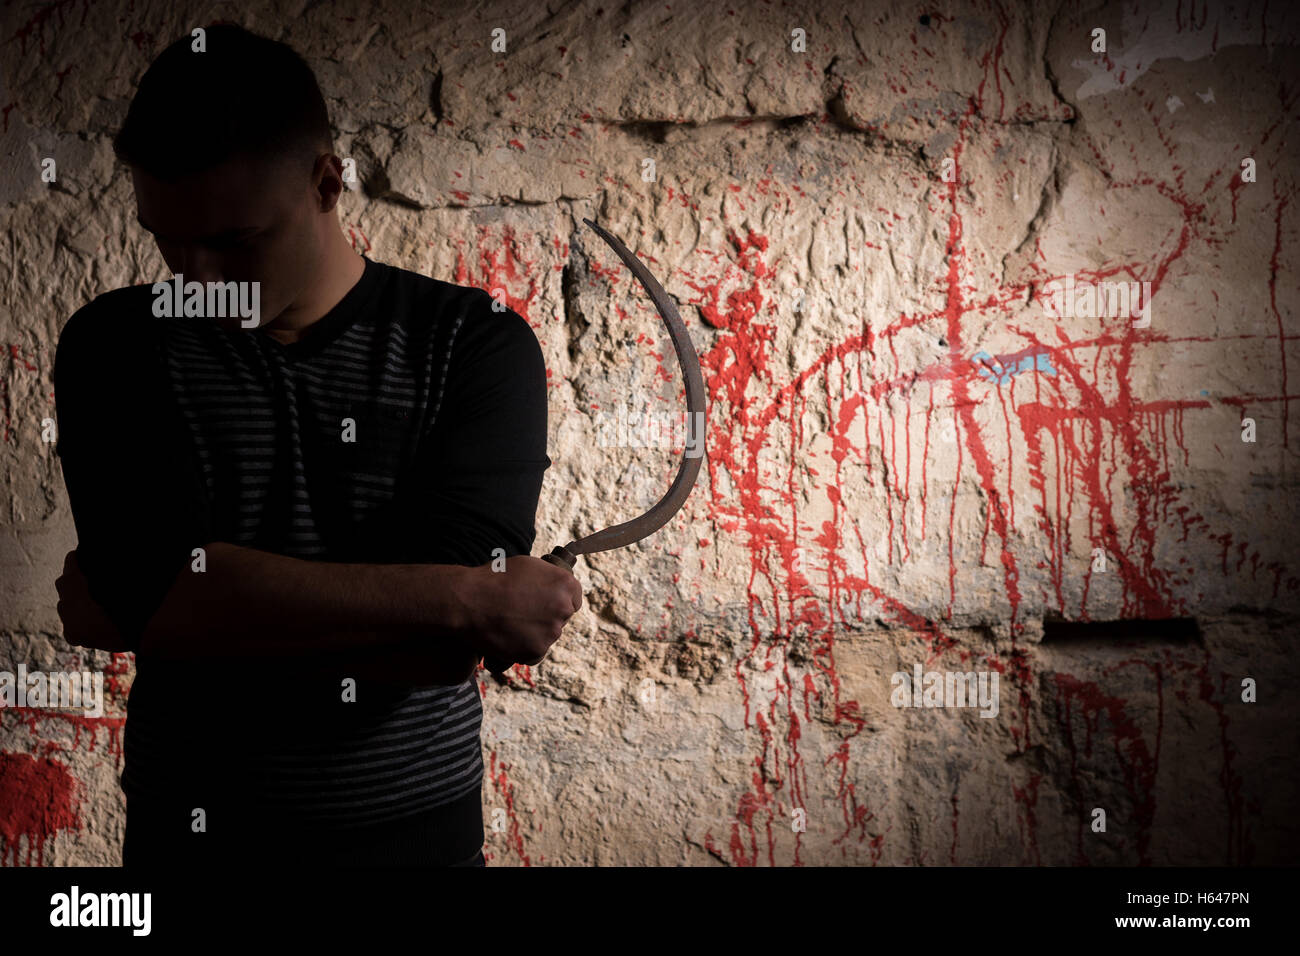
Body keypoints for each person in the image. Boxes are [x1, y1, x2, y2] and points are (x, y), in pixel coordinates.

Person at [52, 24, 582, 867]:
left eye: (233, 242)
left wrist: (169, 609)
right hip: (191, 843)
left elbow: (437, 653)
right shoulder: (118, 342)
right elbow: (159, 594)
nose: (198, 280)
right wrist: (462, 597)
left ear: (328, 182)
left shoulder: (471, 343)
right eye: (166, 239)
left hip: (421, 844)